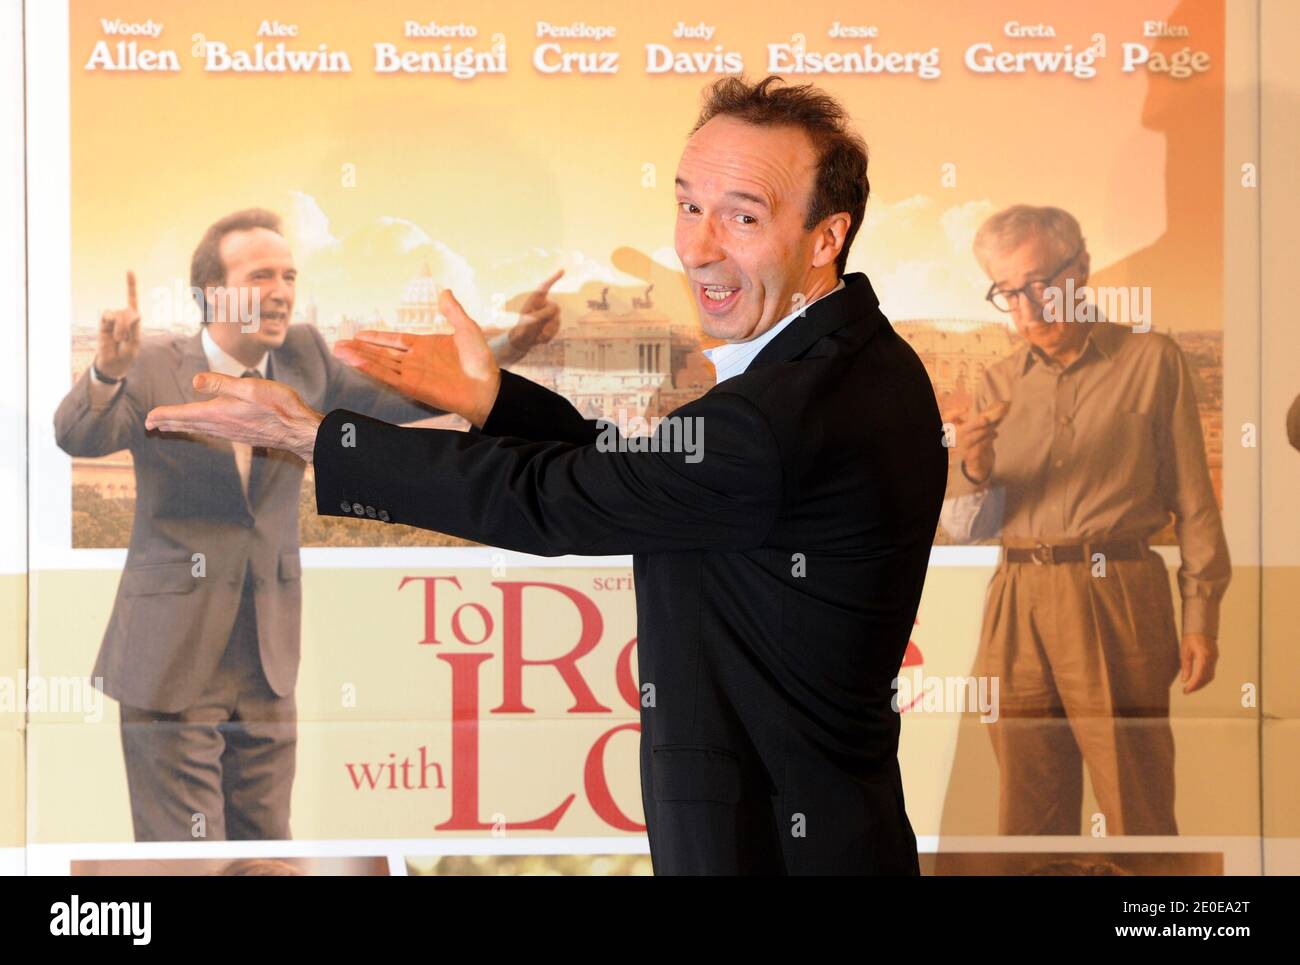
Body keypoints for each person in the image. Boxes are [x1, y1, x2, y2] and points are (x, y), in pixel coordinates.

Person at [146, 77, 948, 874]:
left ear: (824, 237)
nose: (698, 246)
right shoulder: (865, 361)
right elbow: (648, 477)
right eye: (688, 205)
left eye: (742, 216)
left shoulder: (777, 417)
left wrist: (311, 436)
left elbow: (558, 499)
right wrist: (494, 398)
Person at [54, 208, 559, 842]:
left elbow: (398, 394)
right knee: (186, 853)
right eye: (261, 274)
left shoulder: (305, 358)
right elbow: (79, 436)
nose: (282, 290)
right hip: (169, 653)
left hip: (267, 657)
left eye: (289, 274)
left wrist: (512, 343)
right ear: (212, 292)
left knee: (270, 849)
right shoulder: (152, 363)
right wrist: (106, 371)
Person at [939, 204, 1230, 835]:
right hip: (1015, 605)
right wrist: (973, 470)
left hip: (1119, 597)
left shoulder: (1154, 360)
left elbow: (1195, 504)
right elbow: (967, 529)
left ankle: (1156, 935)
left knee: (1137, 809)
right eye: (1009, 293)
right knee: (1027, 816)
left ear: (1083, 269)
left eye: (1041, 284)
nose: (1030, 309)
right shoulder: (995, 382)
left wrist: (1201, 618)